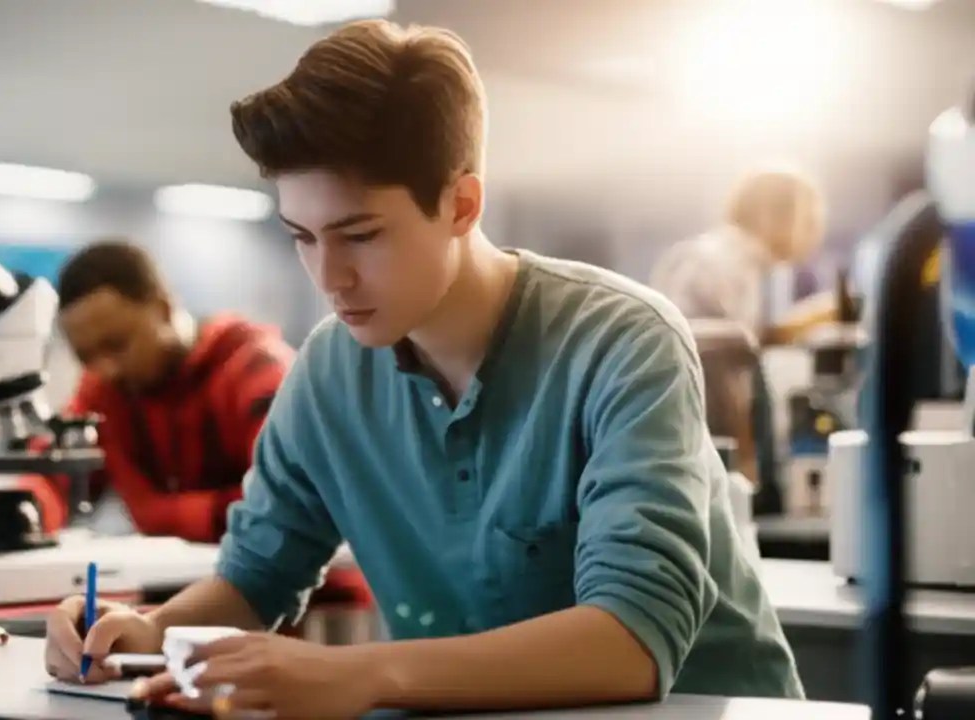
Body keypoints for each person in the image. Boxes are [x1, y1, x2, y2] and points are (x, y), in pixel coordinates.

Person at [43, 20, 803, 717]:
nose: (327, 278)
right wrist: (142, 630)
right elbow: (252, 582)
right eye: (302, 237)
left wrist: (365, 673)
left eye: (360, 235)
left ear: (462, 204)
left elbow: (632, 644)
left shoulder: (624, 344)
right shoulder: (327, 376)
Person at [23, 239, 293, 543]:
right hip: (191, 583)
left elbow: (291, 502)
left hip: (312, 586)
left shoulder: (255, 369)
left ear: (164, 308)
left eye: (117, 345)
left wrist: (160, 515)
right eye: (86, 357)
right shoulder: (105, 393)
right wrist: (19, 511)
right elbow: (53, 473)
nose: (105, 369)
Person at [649, 166, 832, 348]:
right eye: (809, 221)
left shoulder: (747, 268)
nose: (817, 236)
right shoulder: (712, 263)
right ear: (769, 214)